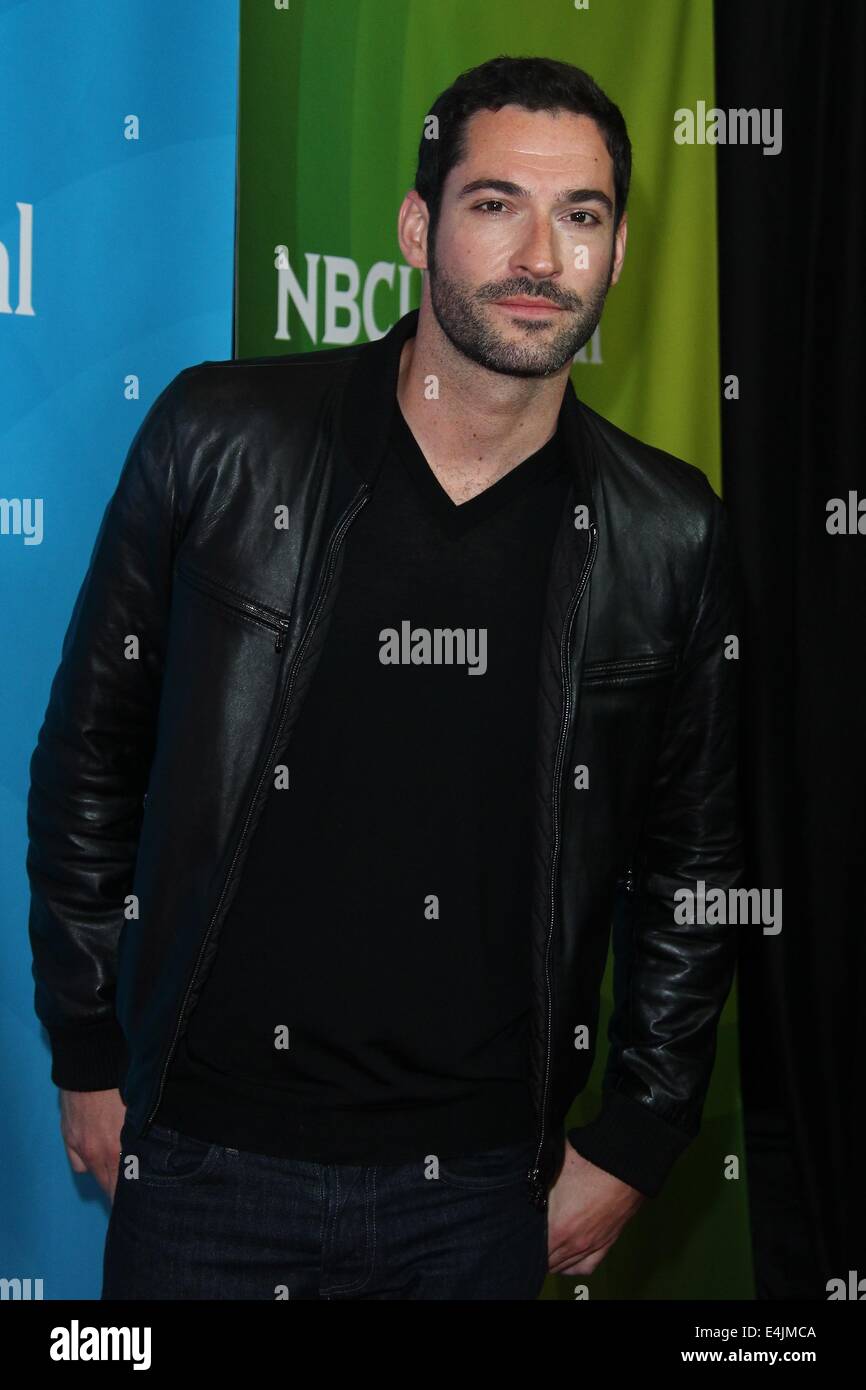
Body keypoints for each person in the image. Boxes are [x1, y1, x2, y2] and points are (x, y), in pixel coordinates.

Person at [26, 55, 741, 1300]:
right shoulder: (222, 439)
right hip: (204, 1158)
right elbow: (94, 751)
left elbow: (695, 861)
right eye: (492, 203)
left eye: (579, 215)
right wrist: (87, 1047)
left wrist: (637, 1131)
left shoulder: (667, 532)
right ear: (417, 226)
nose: (539, 252)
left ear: (618, 253)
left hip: (474, 1189)